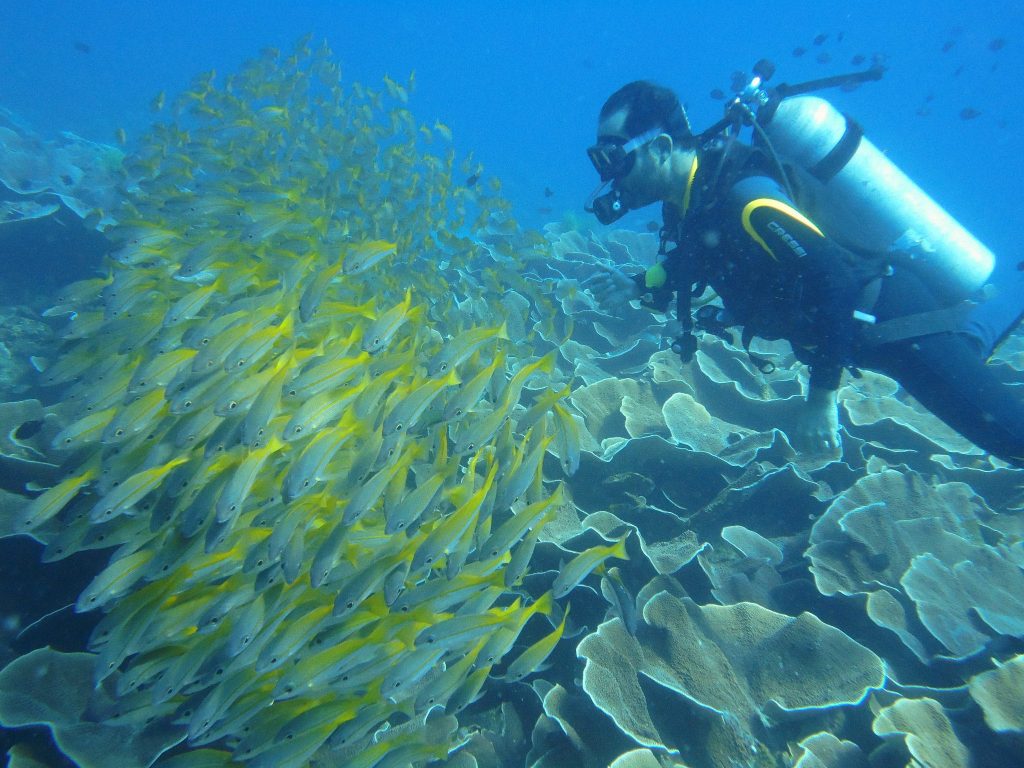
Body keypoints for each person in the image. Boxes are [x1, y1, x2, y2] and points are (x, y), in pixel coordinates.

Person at [583, 80, 1024, 466]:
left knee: (1011, 439)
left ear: (660, 148)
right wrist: (641, 283)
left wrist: (822, 399)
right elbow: (692, 259)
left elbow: (834, 277)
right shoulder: (691, 200)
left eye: (615, 158)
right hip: (862, 335)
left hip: (894, 328)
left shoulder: (745, 200)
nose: (610, 179)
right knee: (968, 342)